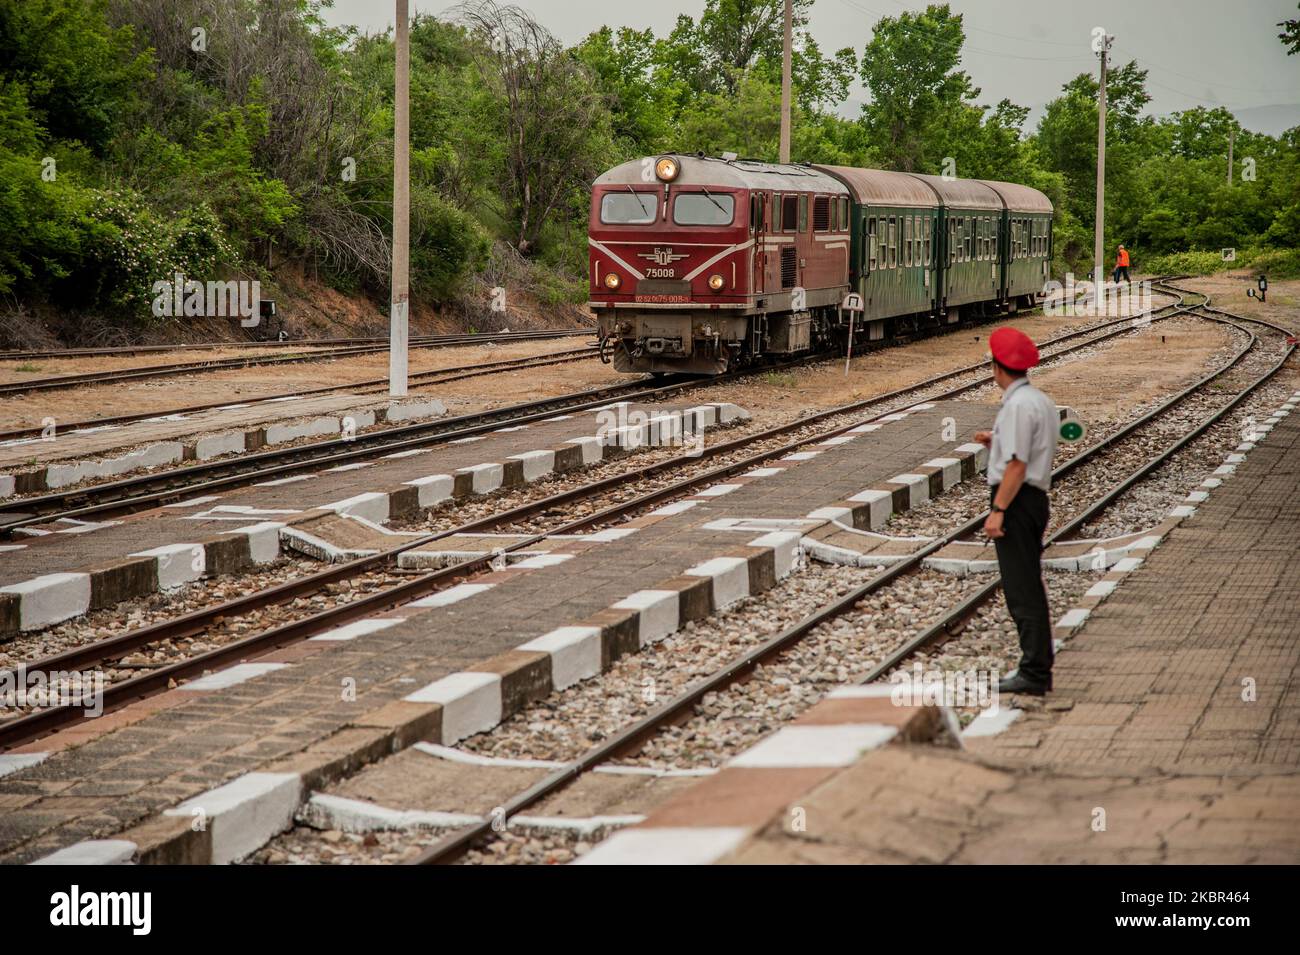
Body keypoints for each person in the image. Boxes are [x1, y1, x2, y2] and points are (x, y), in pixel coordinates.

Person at [974, 327, 1059, 696]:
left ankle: (1034, 672)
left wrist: (997, 511)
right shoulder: (1038, 401)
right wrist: (996, 442)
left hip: (1019, 501)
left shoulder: (1017, 405)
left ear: (997, 367)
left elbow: (1018, 466)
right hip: (1032, 499)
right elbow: (1029, 447)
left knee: (1022, 588)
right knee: (1027, 583)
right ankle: (1036, 666)